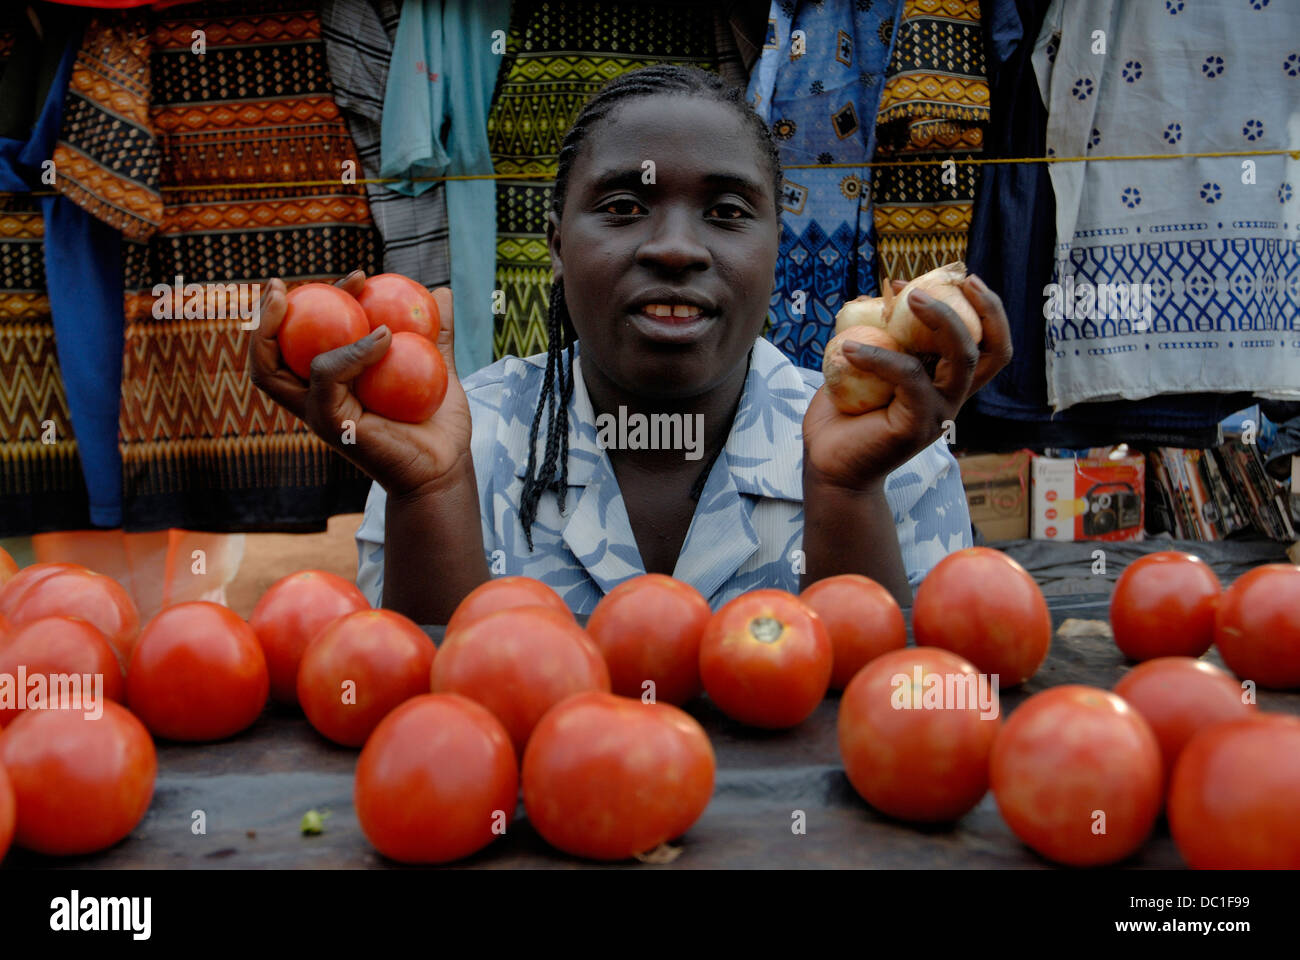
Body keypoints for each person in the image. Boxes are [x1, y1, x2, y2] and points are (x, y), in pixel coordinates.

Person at [249, 65, 1012, 625]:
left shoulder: (894, 452)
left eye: (725, 210)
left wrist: (846, 495)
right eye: (622, 205)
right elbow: (429, 718)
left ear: (777, 249)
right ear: (554, 245)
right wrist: (429, 493)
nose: (676, 249)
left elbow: (902, 719)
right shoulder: (458, 441)